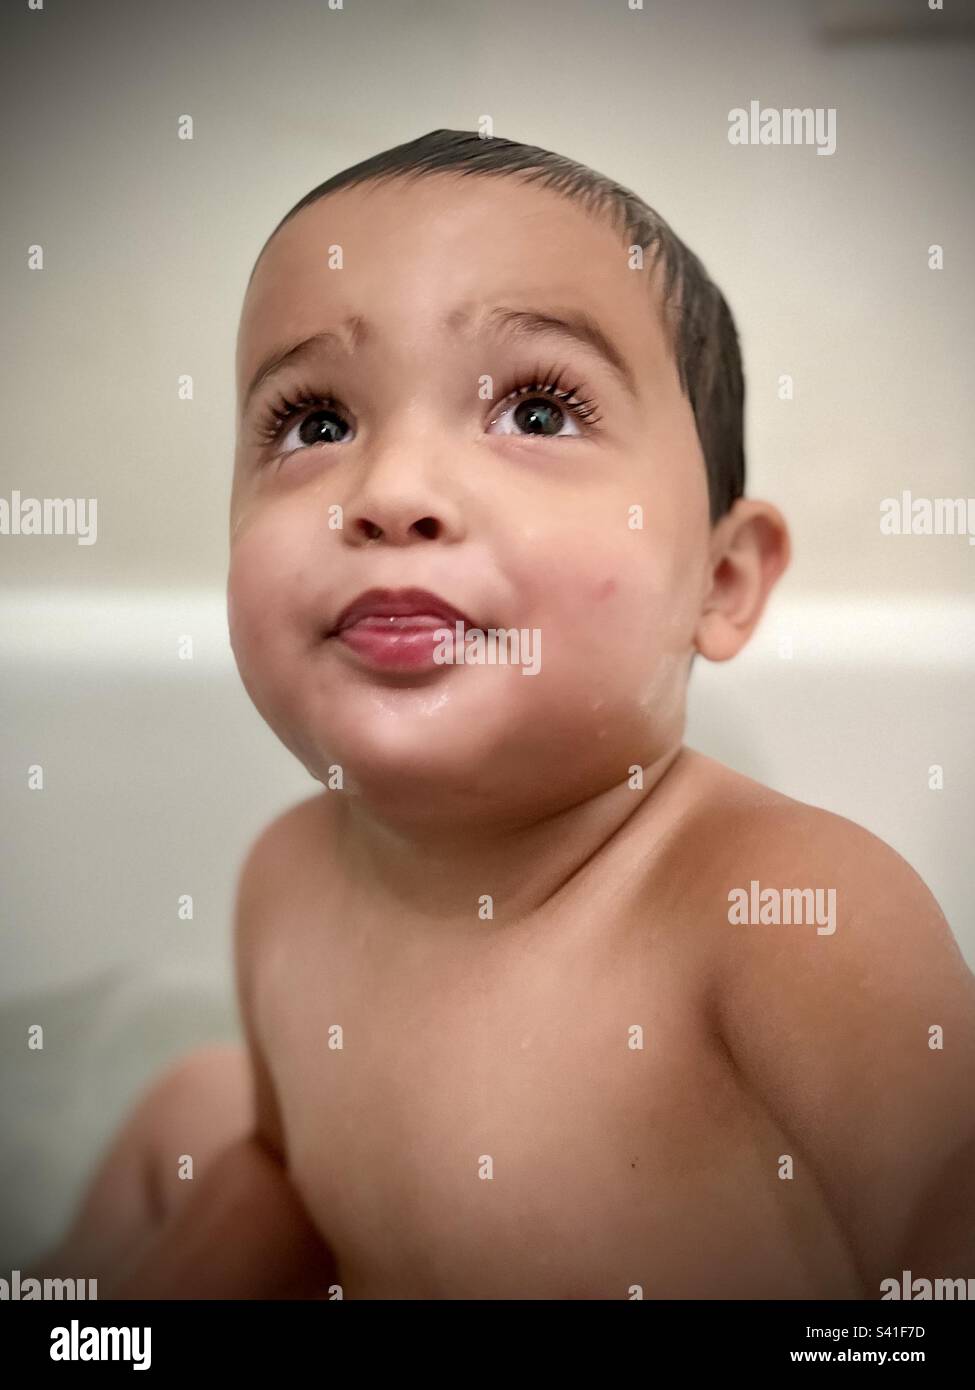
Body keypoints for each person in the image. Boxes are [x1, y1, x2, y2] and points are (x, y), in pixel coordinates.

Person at [33, 129, 975, 1299]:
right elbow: (284, 1184)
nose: (390, 494)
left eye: (534, 410)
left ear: (721, 584)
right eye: (315, 422)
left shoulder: (788, 919)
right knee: (191, 1111)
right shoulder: (285, 881)